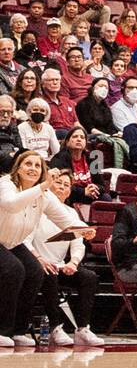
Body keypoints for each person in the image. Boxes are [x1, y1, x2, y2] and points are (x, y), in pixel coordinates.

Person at [0, 151, 83, 346]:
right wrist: (43, 186)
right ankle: (2, 329)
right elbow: (11, 205)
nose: (33, 168)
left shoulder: (43, 195)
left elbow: (65, 218)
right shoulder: (6, 184)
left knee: (36, 272)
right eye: (28, 164)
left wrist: (84, 230)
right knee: (14, 269)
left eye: (37, 165)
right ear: (18, 168)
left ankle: (18, 331)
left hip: (12, 243)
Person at [30, 170, 104, 346]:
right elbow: (26, 238)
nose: (62, 187)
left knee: (89, 277)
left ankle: (82, 329)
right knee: (51, 274)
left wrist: (74, 262)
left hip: (61, 265)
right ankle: (56, 327)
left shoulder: (71, 213)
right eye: (58, 182)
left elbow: (78, 242)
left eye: (66, 185)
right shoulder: (36, 207)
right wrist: (39, 259)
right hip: (37, 263)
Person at [50, 124, 102, 203]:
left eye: (82, 137)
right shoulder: (59, 158)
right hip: (71, 195)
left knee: (105, 197)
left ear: (85, 142)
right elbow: (60, 185)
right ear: (67, 142)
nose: (79, 139)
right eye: (75, 137)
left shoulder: (93, 158)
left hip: (90, 194)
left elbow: (101, 184)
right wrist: (83, 191)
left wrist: (94, 188)